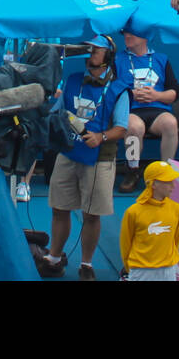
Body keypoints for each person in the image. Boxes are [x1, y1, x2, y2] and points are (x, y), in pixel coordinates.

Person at [42, 37, 130, 283]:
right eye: (88, 48)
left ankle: (86, 264)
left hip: (99, 158)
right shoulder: (72, 81)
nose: (90, 52)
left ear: (109, 56)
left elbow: (122, 128)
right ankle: (54, 258)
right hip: (68, 152)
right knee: (59, 208)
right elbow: (55, 111)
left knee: (91, 214)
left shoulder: (119, 88)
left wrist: (101, 136)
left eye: (96, 49)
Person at [115, 28, 179, 194]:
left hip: (157, 109)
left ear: (146, 36)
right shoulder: (117, 59)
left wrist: (156, 95)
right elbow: (110, 91)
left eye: (132, 32)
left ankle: (165, 172)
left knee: (170, 123)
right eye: (125, 33)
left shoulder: (161, 59)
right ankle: (132, 170)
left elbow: (175, 91)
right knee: (134, 127)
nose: (127, 35)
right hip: (131, 110)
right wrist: (129, 95)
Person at [118, 161, 179, 283]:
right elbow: (125, 245)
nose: (173, 186)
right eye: (168, 181)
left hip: (168, 271)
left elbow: (176, 240)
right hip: (141, 271)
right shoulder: (134, 212)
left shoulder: (177, 210)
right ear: (154, 184)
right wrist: (130, 268)